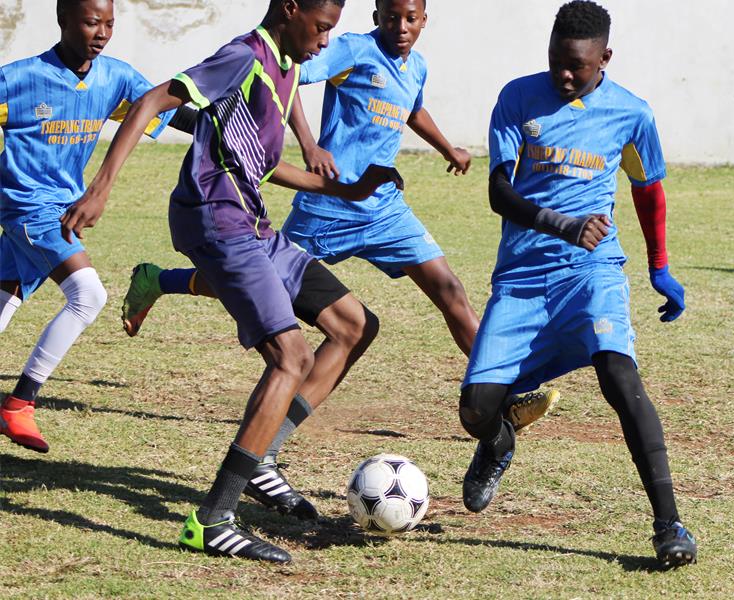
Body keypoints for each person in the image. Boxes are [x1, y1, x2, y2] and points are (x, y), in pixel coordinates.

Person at [117, 0, 560, 518]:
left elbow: (411, 106)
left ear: (424, 19)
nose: (401, 27)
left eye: (411, 18)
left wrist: (445, 149)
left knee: (440, 294)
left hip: (380, 207)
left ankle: (503, 391)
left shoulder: (414, 65)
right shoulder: (335, 50)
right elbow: (293, 75)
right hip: (324, 208)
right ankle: (163, 284)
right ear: (375, 16)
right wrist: (309, 144)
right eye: (391, 17)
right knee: (256, 297)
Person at [65, 0, 409, 562]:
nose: (325, 42)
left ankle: (263, 459)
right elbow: (153, 99)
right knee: (290, 357)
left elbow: (263, 165)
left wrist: (344, 192)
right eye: (321, 28)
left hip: (253, 222)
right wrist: (101, 186)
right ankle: (212, 519)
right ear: (291, 10)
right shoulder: (242, 57)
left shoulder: (287, 65)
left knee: (353, 325)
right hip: (215, 219)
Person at [458, 0, 697, 567]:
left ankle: (669, 526)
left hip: (592, 272)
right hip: (521, 276)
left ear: (604, 58)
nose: (564, 74)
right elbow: (499, 192)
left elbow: (647, 188)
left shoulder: (631, 113)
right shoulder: (518, 96)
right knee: (475, 409)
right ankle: (499, 440)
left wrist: (659, 265)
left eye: (578, 66)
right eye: (556, 60)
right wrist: (562, 225)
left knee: (618, 372)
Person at [0, 0, 195, 454]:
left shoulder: (116, 78)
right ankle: (19, 404)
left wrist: (221, 126)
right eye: (92, 21)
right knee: (88, 295)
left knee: (5, 294)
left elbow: (163, 109)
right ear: (64, 18)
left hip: (59, 208)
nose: (102, 32)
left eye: (109, 22)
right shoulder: (19, 79)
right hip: (28, 209)